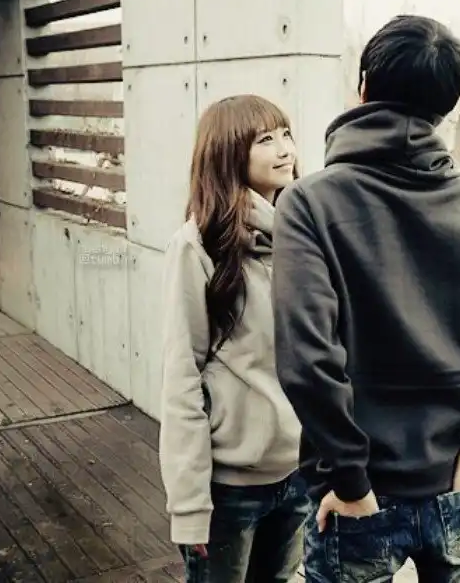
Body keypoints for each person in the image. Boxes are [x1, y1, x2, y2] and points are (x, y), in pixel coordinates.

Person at [271, 15, 460, 583]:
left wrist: (351, 481)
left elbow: (307, 361)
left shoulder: (309, 203)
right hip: (450, 484)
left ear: (364, 85)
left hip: (355, 498)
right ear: (446, 106)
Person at [159, 94, 310, 583]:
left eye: (286, 134)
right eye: (265, 139)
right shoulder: (197, 245)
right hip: (230, 488)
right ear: (227, 154)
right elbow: (182, 376)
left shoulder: (303, 235)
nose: (285, 149)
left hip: (299, 472)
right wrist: (189, 505)